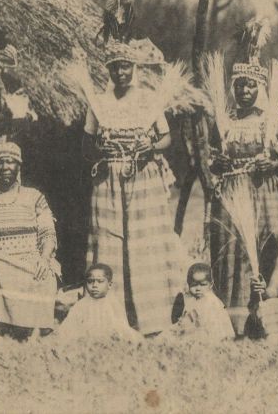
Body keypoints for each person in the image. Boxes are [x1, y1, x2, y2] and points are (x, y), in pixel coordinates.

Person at [83, 41, 185, 335]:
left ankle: (151, 320)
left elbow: (165, 138)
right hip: (108, 179)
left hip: (143, 177)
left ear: (135, 68)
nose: (121, 72)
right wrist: (100, 152)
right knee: (109, 240)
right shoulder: (99, 102)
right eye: (115, 67)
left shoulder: (149, 99)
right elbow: (86, 141)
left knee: (144, 243)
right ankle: (110, 319)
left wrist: (149, 146)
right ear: (109, 70)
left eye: (126, 66)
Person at [207, 25, 278, 333]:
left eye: (250, 86)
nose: (245, 91)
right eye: (240, 86)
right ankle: (235, 316)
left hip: (266, 191)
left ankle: (271, 310)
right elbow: (213, 160)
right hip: (232, 191)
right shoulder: (224, 121)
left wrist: (270, 164)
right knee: (234, 249)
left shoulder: (272, 120)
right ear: (233, 88)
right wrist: (217, 163)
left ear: (260, 87)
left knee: (270, 246)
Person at [0, 140, 60, 338]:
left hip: (27, 262)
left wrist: (44, 258)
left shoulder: (34, 197)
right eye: (0, 162)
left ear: (19, 166)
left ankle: (35, 328)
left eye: (10, 162)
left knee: (47, 271)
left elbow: (48, 232)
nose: (5, 167)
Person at [57, 264, 141, 341]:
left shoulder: (113, 303)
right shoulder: (81, 304)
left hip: (109, 336)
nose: (94, 285)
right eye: (90, 281)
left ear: (109, 285)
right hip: (86, 336)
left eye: (100, 281)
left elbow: (122, 326)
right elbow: (69, 325)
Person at [168, 263, 235, 341]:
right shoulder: (190, 299)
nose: (198, 289)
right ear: (188, 284)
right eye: (194, 285)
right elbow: (186, 317)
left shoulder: (211, 300)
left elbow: (217, 322)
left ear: (211, 284)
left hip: (211, 330)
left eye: (203, 285)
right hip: (194, 329)